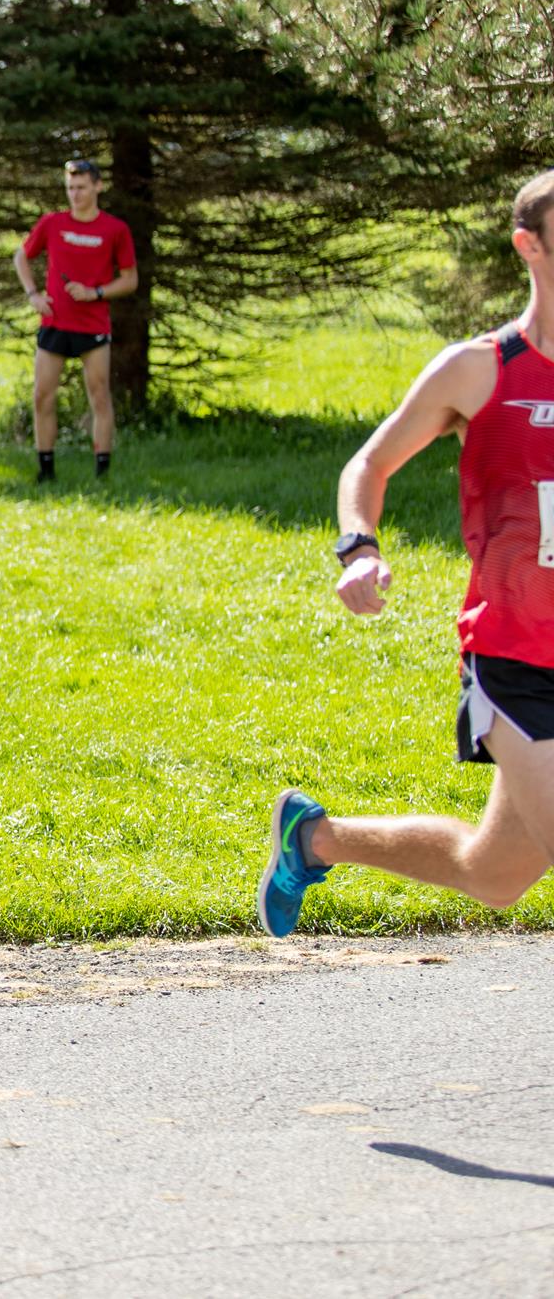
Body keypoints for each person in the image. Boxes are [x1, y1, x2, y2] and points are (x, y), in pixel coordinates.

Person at [257, 171, 554, 939]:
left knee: (494, 874)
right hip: (516, 656)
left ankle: (312, 838)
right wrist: (358, 549)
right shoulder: (480, 369)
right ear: (530, 246)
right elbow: (369, 464)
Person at [10, 158, 137, 482]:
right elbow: (22, 255)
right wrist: (33, 295)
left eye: (81, 187)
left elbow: (129, 280)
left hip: (93, 327)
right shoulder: (52, 223)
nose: (75, 194)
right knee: (42, 395)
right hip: (54, 325)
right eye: (70, 188)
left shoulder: (115, 229)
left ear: (97, 186)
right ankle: (46, 471)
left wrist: (94, 292)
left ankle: (102, 473)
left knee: (99, 395)